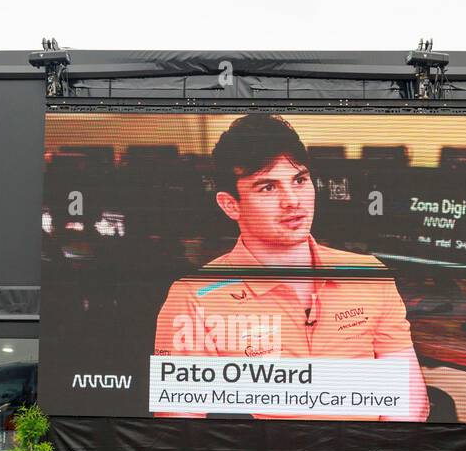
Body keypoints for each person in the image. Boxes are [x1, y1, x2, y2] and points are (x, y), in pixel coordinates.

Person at [153, 113, 429, 421]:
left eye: (299, 180)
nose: (292, 201)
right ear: (230, 205)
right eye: (267, 188)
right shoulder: (193, 296)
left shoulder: (368, 274)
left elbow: (408, 403)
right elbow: (180, 427)